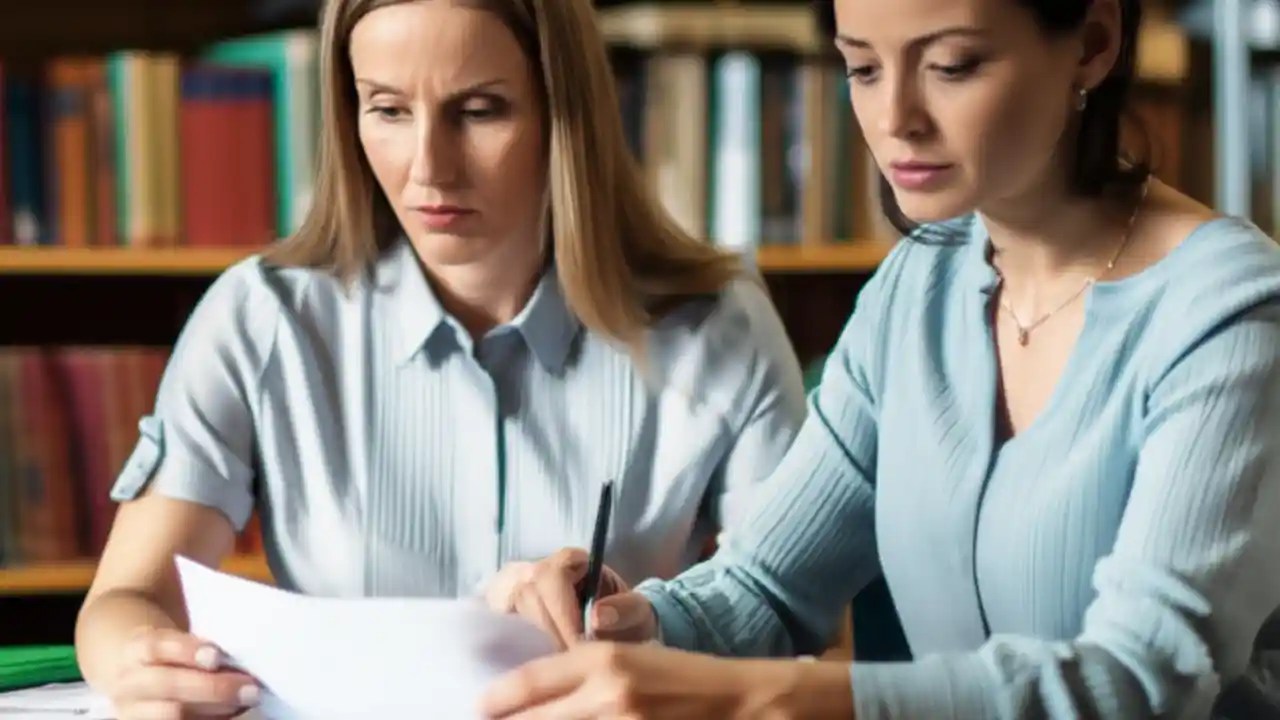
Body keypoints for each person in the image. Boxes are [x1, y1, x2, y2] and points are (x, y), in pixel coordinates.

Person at [480, 0, 1280, 717]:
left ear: (1093, 43)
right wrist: (629, 618)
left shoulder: (1229, 312)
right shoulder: (919, 283)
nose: (894, 117)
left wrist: (781, 696)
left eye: (951, 66)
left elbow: (1142, 680)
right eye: (861, 66)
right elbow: (766, 587)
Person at [73, 0, 807, 716]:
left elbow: (797, 622)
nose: (428, 168)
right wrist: (145, 661)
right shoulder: (260, 317)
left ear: (565, 112)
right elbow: (123, 601)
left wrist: (642, 617)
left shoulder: (720, 325)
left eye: (480, 110)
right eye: (388, 110)